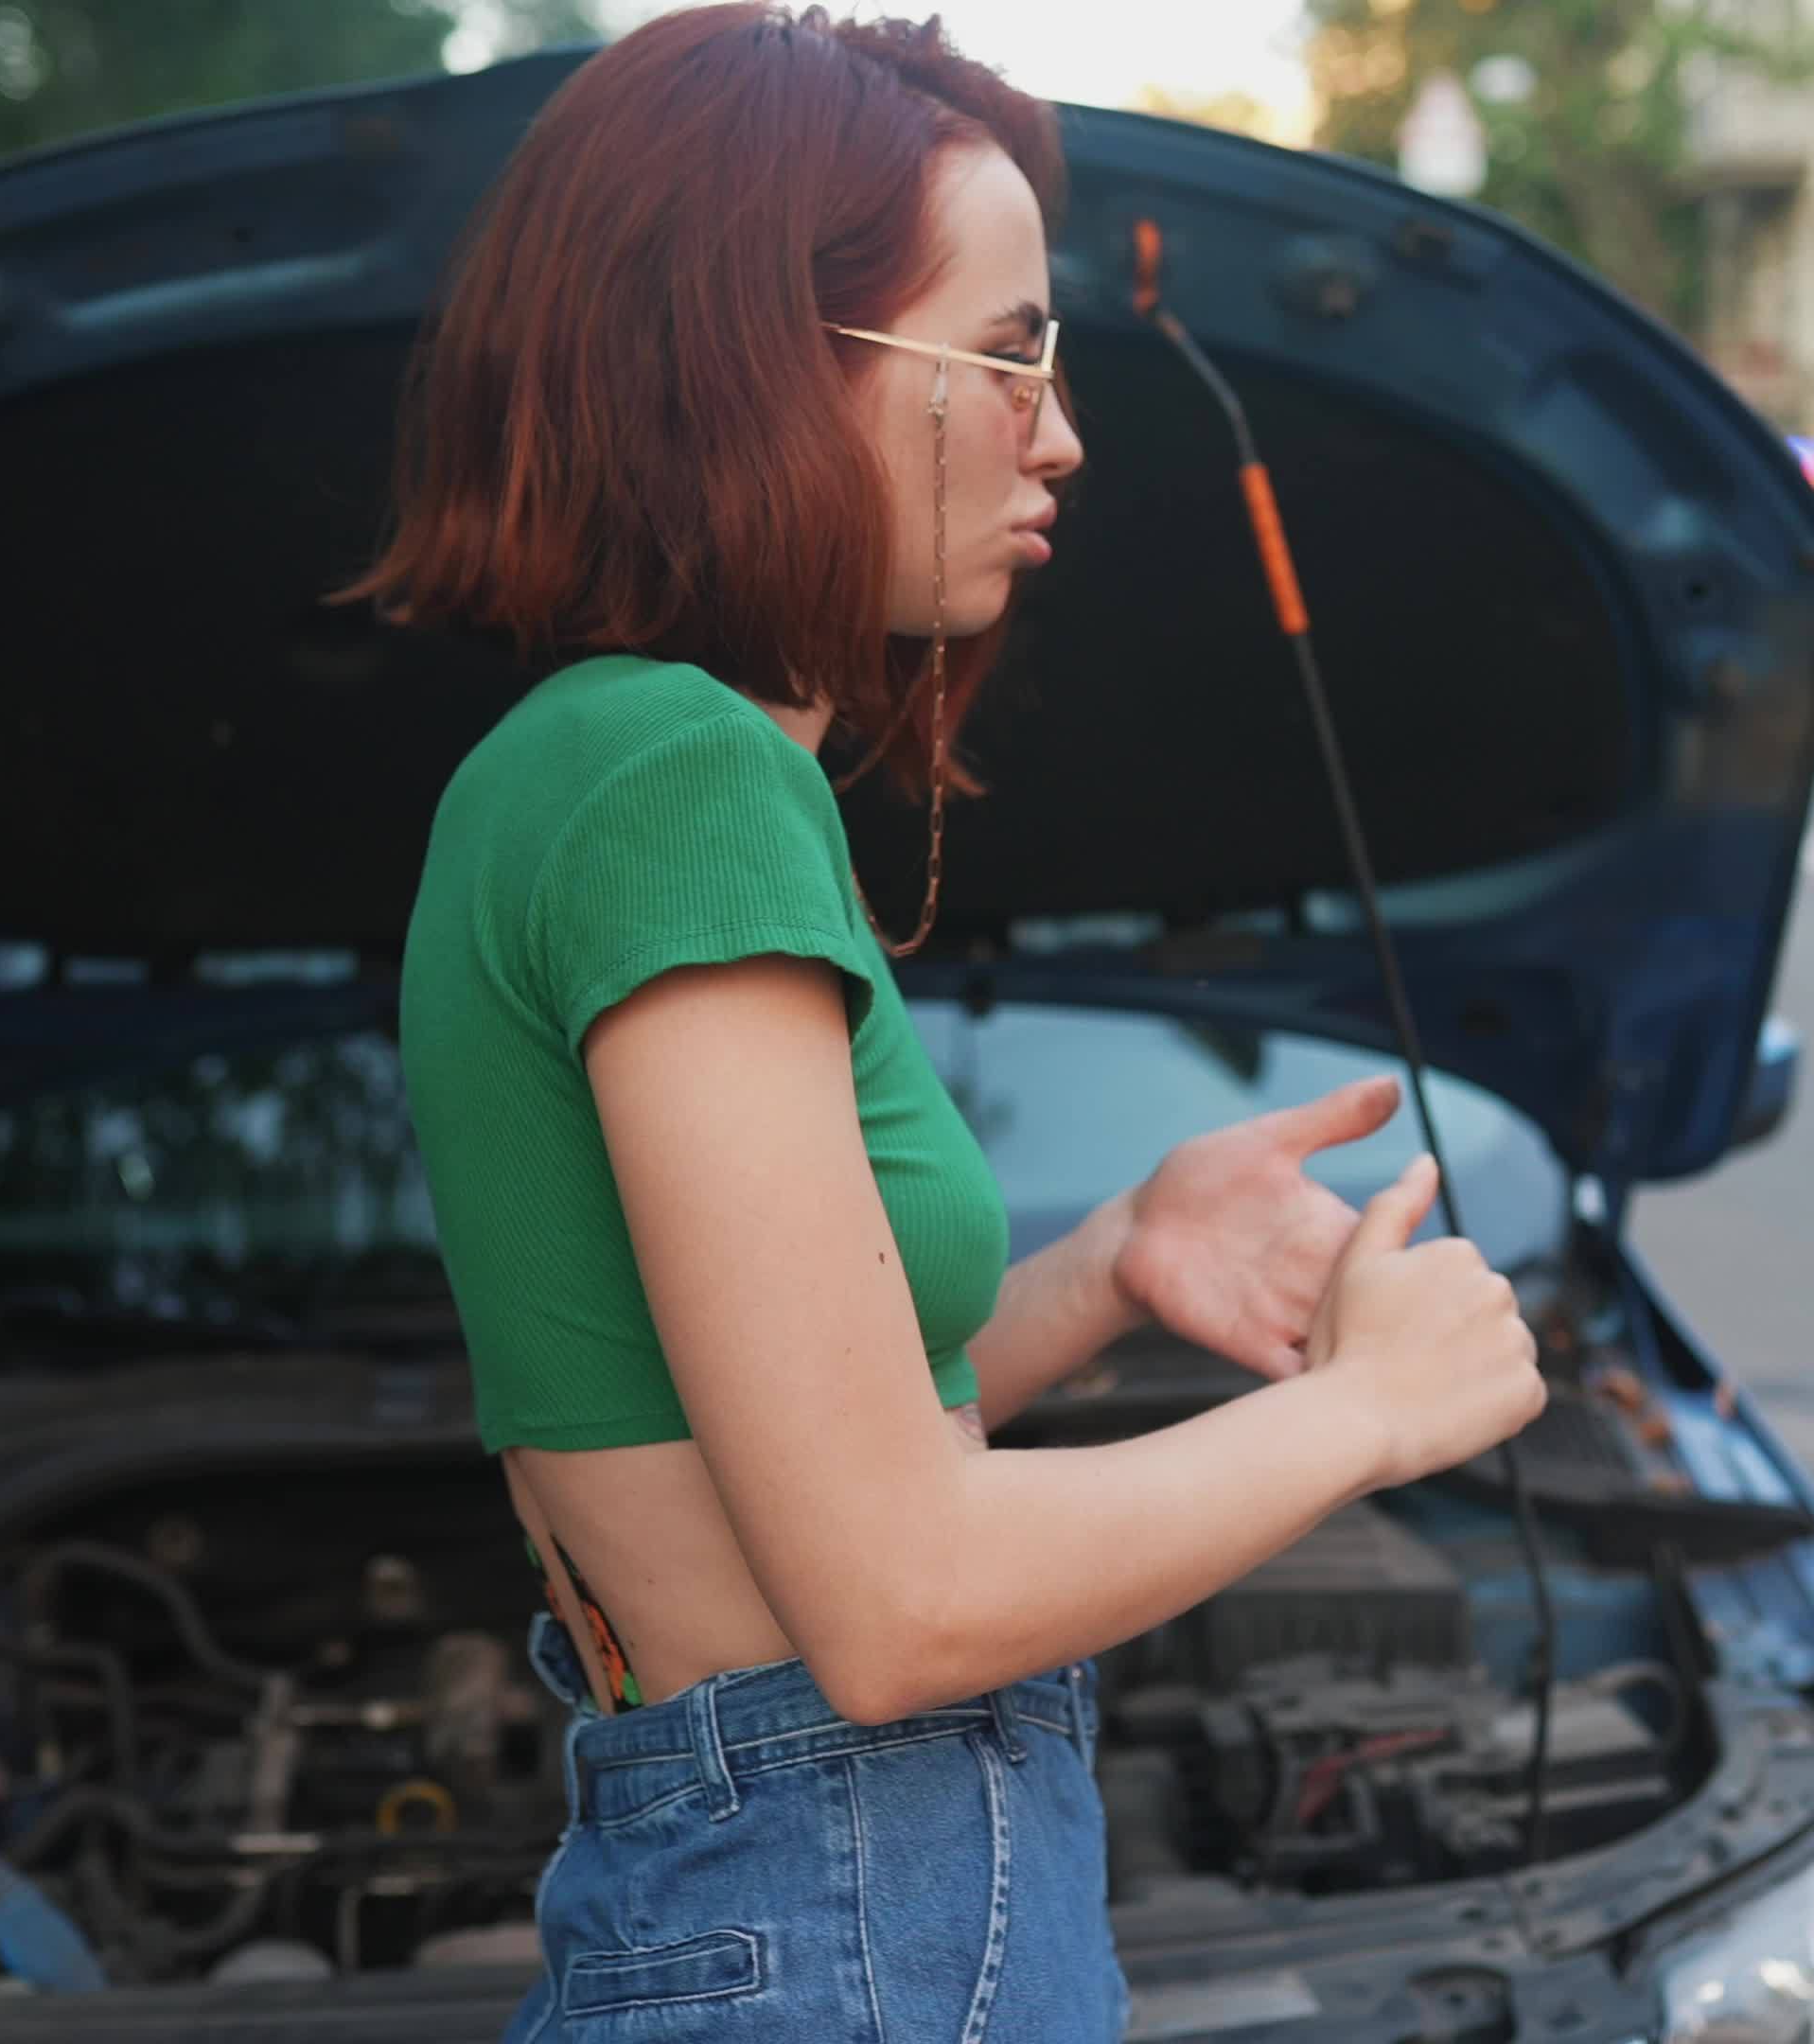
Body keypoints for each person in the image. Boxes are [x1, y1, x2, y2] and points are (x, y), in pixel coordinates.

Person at [338, 9, 1548, 2039]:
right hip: (843, 1906)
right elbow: (898, 1605)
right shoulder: (677, 783)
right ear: (762, 366)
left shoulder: (572, 768)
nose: (1057, 431)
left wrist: (1109, 1263)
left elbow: (753, 1429)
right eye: (1003, 354)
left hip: (755, 1883)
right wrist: (1371, 1410)